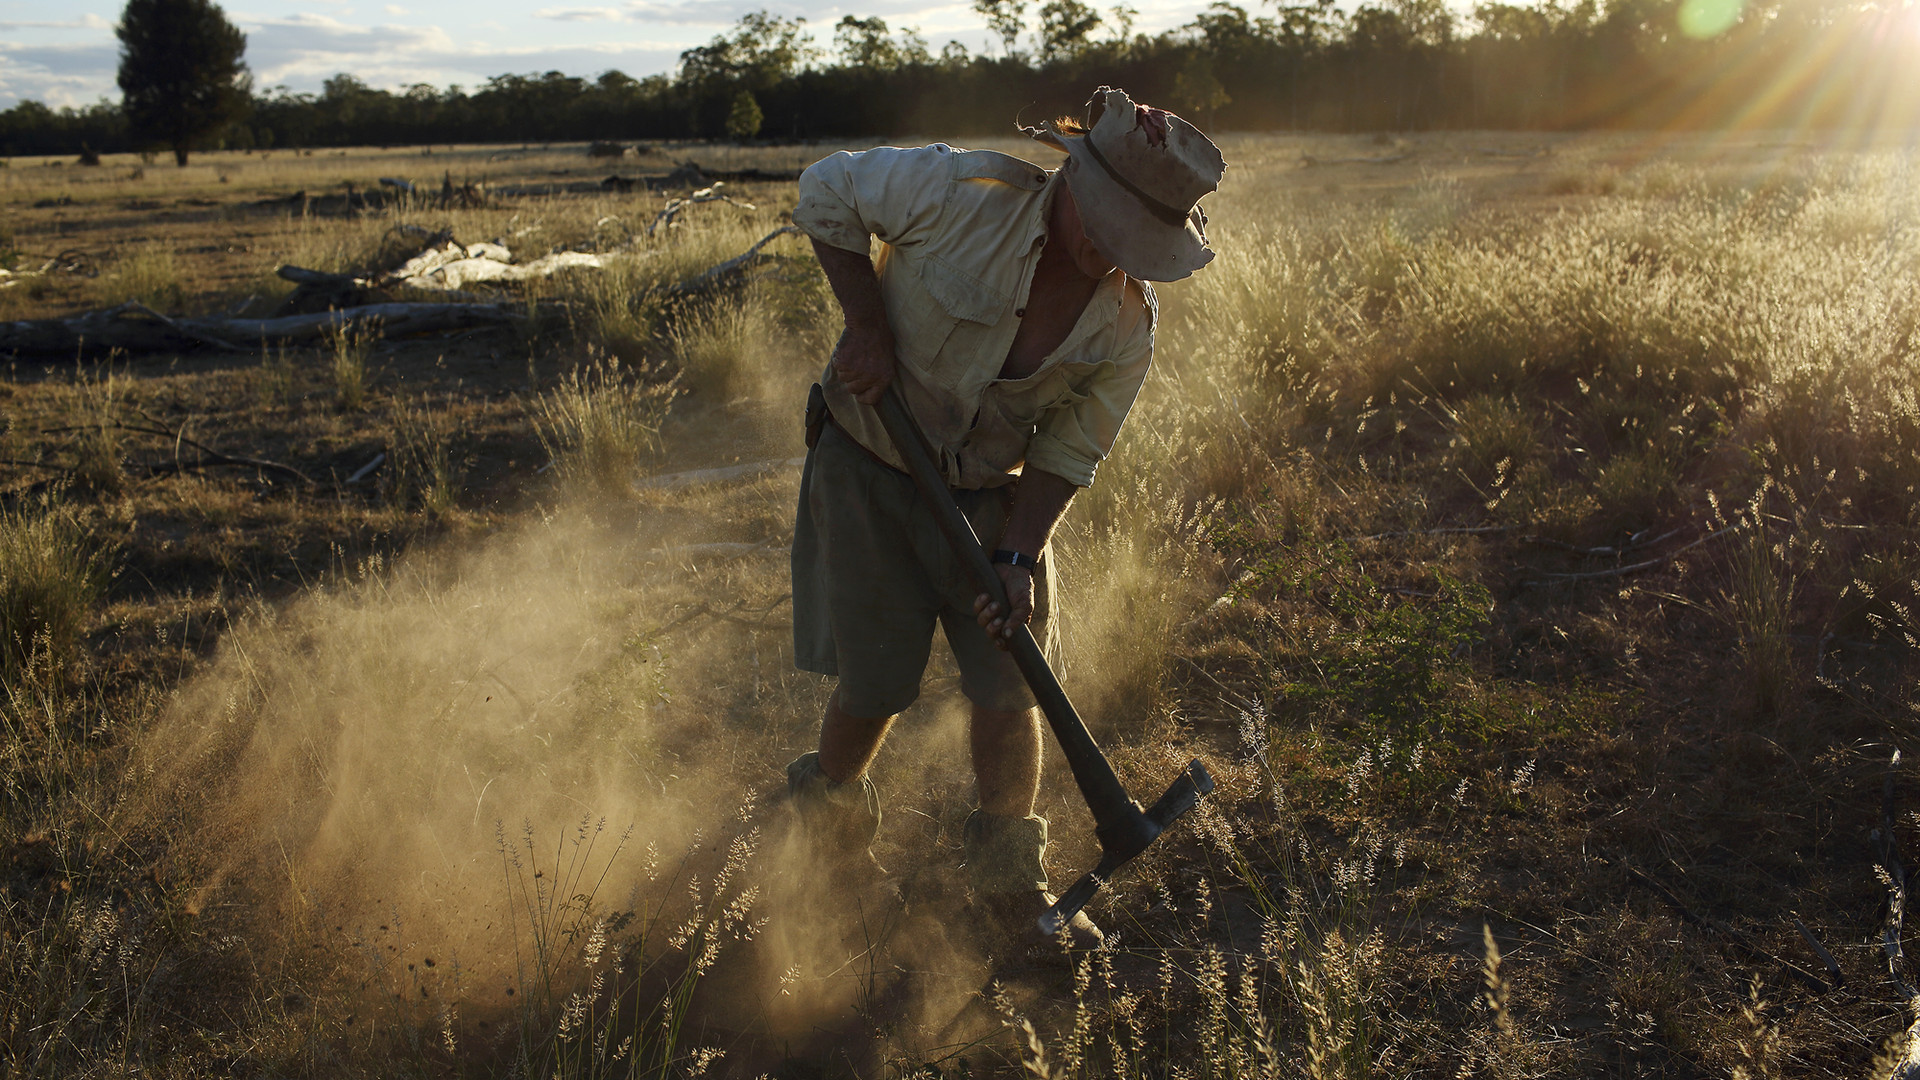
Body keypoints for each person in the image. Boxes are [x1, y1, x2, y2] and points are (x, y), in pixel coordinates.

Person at [783, 86, 1226, 949]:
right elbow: (824, 191)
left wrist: (1019, 556)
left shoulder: (1127, 327)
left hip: (993, 495)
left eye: (1134, 245)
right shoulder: (958, 194)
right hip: (871, 462)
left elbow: (1067, 452)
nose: (1108, 255)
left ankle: (1005, 882)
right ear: (1074, 181)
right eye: (1102, 225)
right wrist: (866, 325)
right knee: (876, 686)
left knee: (1010, 682)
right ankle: (826, 832)